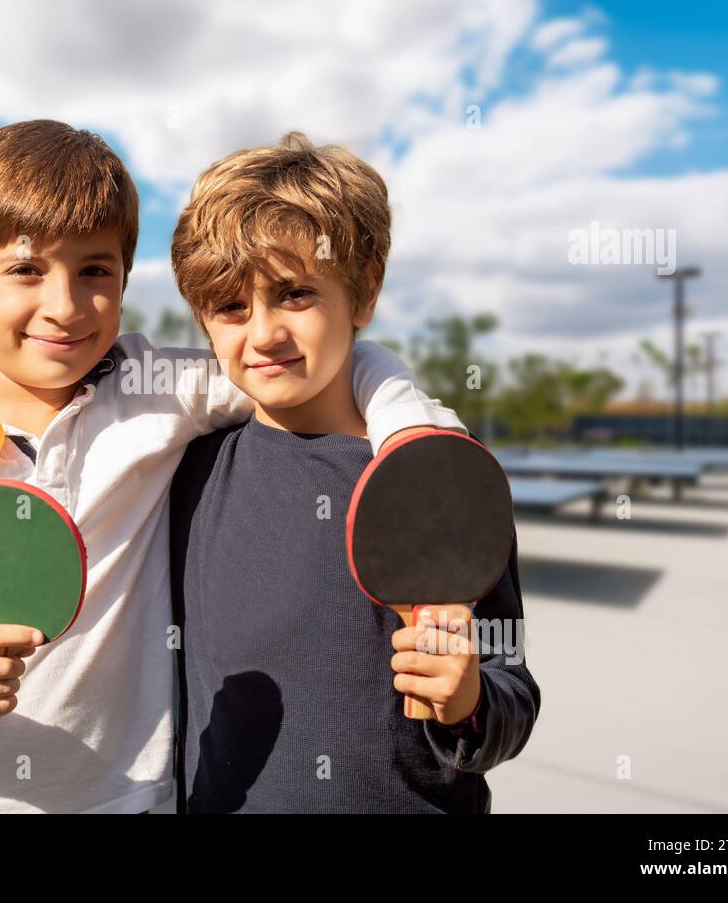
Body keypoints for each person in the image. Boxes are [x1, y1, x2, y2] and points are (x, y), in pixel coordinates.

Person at [0, 119, 467, 813]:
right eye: (26, 270)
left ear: (125, 282)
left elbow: (315, 353)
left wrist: (409, 437)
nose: (62, 306)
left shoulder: (156, 390)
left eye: (94, 271)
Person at [166, 133, 539, 812]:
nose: (264, 332)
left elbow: (512, 689)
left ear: (363, 292)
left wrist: (467, 700)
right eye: (230, 307)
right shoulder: (185, 478)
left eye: (295, 294)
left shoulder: (436, 479)